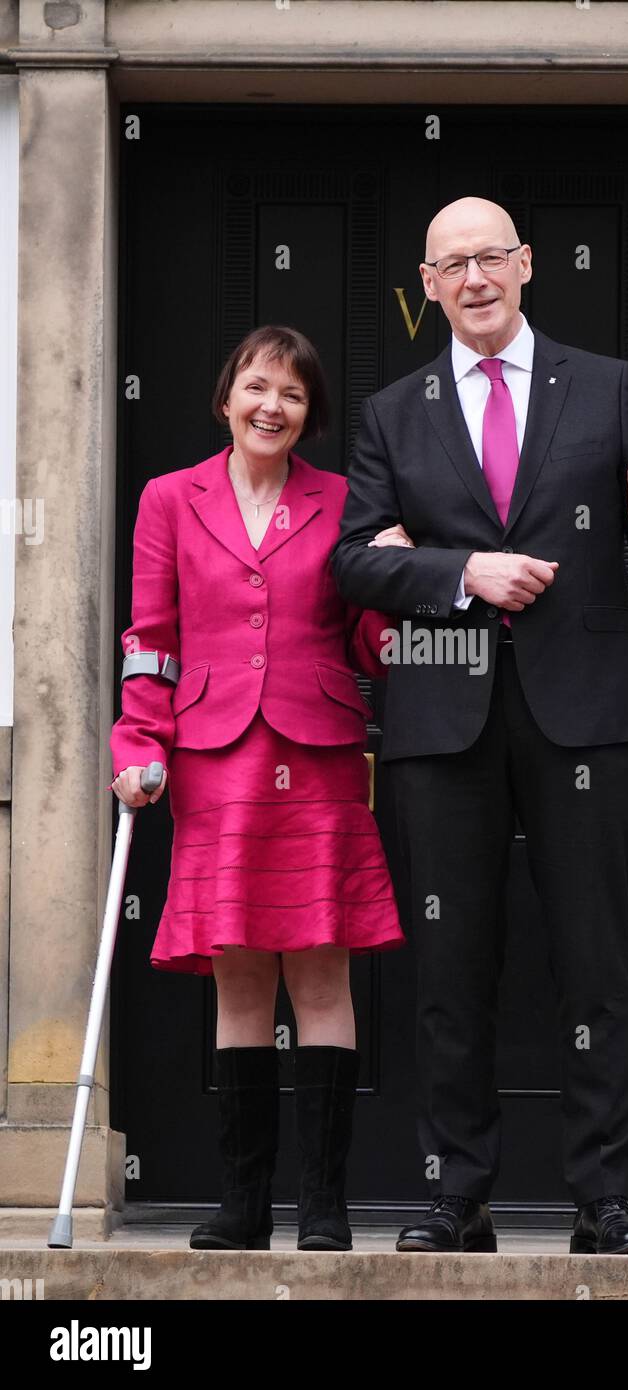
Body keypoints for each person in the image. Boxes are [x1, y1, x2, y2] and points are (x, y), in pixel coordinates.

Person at [332, 197, 628, 1255]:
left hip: (584, 714)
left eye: (492, 255)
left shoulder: (607, 384)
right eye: (454, 264)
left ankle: (605, 1200)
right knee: (449, 969)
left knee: (598, 963)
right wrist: (457, 570)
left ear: (527, 264)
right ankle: (458, 1196)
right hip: (444, 721)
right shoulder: (391, 412)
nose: (477, 276)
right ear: (429, 283)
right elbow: (354, 558)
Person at [109, 325, 405, 1252]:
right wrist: (137, 738)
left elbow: (370, 644)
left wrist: (397, 580)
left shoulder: (345, 501)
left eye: (292, 395)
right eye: (257, 387)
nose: (271, 407)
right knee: (238, 970)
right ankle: (242, 1208)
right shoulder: (168, 499)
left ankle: (323, 1207)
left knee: (320, 965)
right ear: (227, 397)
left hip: (316, 752)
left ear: (308, 415)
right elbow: (152, 635)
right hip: (213, 754)